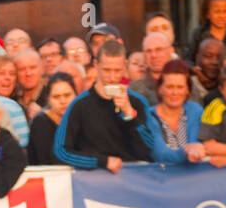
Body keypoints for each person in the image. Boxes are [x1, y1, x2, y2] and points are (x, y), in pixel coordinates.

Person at [53, 40, 156, 171]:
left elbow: (150, 148)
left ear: (125, 66)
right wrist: (101, 161)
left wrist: (130, 114)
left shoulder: (138, 102)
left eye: (117, 70)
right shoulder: (79, 104)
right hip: (94, 179)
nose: (112, 77)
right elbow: (61, 150)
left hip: (133, 178)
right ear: (96, 64)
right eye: (106, 70)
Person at [148, 61, 205, 165]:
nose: (175, 93)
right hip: (161, 175)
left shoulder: (195, 110)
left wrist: (194, 149)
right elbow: (161, 155)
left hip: (194, 174)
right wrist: (186, 151)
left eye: (180, 87)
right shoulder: (149, 116)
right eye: (170, 87)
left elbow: (195, 144)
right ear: (160, 89)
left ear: (188, 90)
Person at [131, 31, 175, 106]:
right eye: (148, 51)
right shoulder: (134, 90)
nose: (153, 55)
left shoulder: (186, 84)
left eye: (159, 49)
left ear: (171, 51)